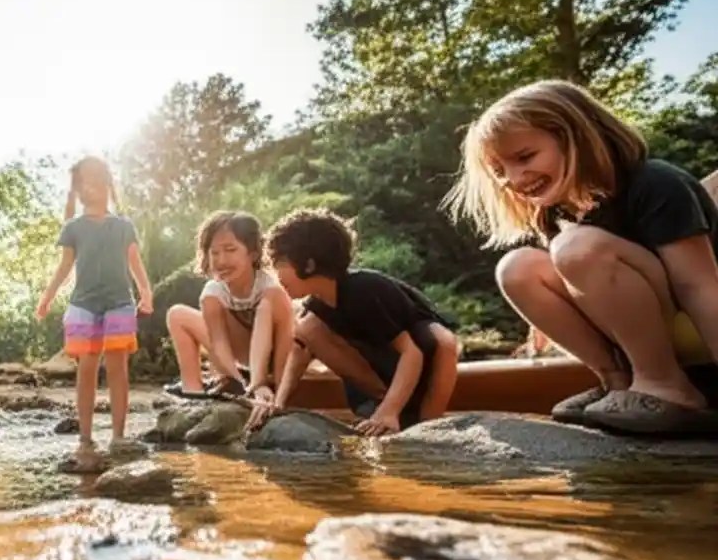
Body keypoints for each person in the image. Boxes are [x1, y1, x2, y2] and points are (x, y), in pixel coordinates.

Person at [445, 79, 718, 432]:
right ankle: (616, 382)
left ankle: (666, 385)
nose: (513, 178)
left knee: (577, 248)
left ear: (574, 137)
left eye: (525, 157)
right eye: (500, 171)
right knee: (516, 267)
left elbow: (699, 287)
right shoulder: (556, 212)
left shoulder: (656, 184)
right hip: (642, 330)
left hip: (696, 327)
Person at [246, 209, 459, 436]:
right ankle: (381, 402)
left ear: (308, 265)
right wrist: (279, 404)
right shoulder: (318, 304)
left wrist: (389, 411)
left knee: (443, 342)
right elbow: (299, 352)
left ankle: (424, 424)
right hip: (381, 377)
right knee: (307, 328)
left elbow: (413, 353)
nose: (276, 275)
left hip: (423, 368)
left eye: (280, 264)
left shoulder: (364, 290)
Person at [36, 156, 152, 471]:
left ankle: (118, 436)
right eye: (86, 182)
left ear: (107, 185)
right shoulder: (73, 227)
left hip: (119, 302)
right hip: (83, 305)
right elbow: (65, 266)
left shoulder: (123, 225)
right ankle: (85, 438)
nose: (93, 188)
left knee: (118, 367)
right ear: (80, 188)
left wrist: (146, 291)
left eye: (98, 181)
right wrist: (47, 298)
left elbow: (134, 262)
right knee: (87, 366)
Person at [164, 210, 295, 402]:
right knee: (177, 314)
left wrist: (268, 384)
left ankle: (256, 382)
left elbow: (286, 338)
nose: (221, 260)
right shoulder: (213, 293)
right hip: (238, 358)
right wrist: (240, 382)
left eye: (230, 250)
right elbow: (218, 342)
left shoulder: (271, 288)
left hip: (273, 357)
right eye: (214, 252)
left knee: (269, 305)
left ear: (253, 253)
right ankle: (193, 392)